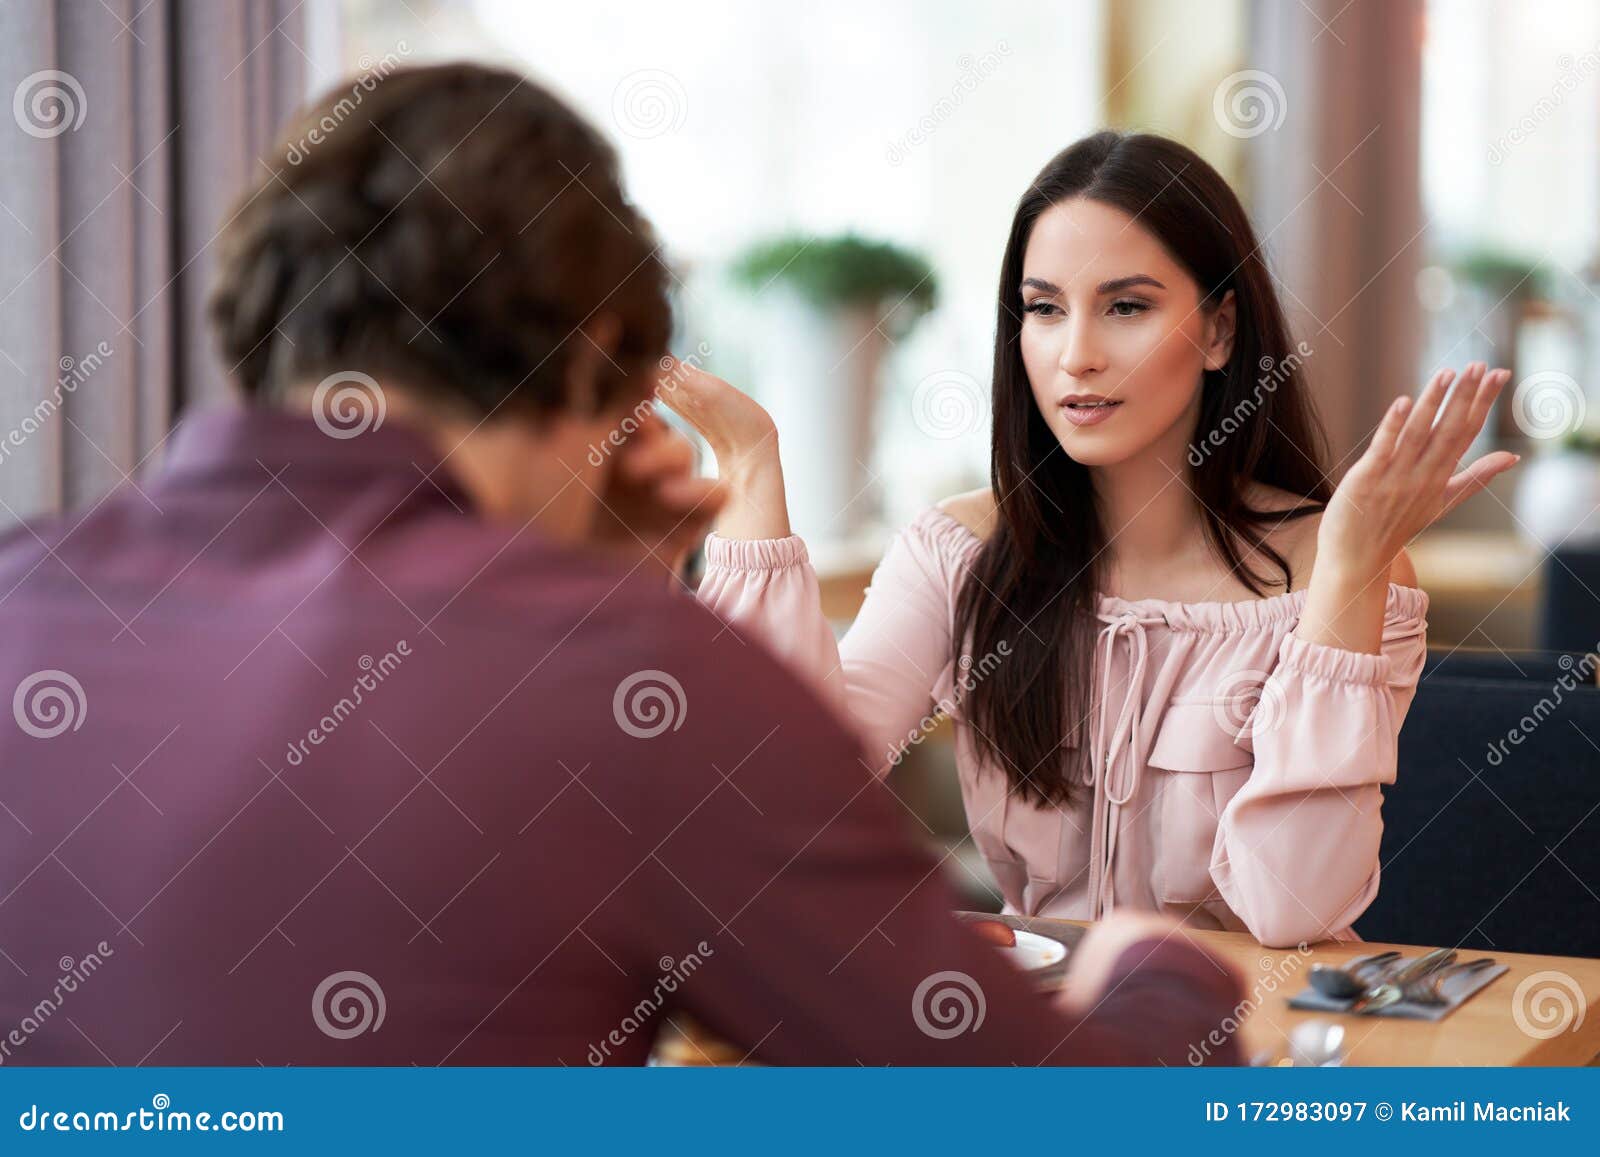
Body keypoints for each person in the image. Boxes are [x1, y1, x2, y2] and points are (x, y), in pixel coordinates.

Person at [0, 65, 1245, 1066]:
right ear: (603, 359)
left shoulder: (24, 594)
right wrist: (1166, 975)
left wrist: (580, 574)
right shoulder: (636, 676)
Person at [667, 131, 1518, 949]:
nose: (1077, 355)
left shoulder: (1336, 569)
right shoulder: (960, 552)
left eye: (1126, 307)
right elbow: (794, 786)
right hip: (1031, 1049)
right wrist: (749, 467)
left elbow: (1293, 904)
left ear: (1220, 330)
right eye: (1044, 309)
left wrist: (1350, 571)